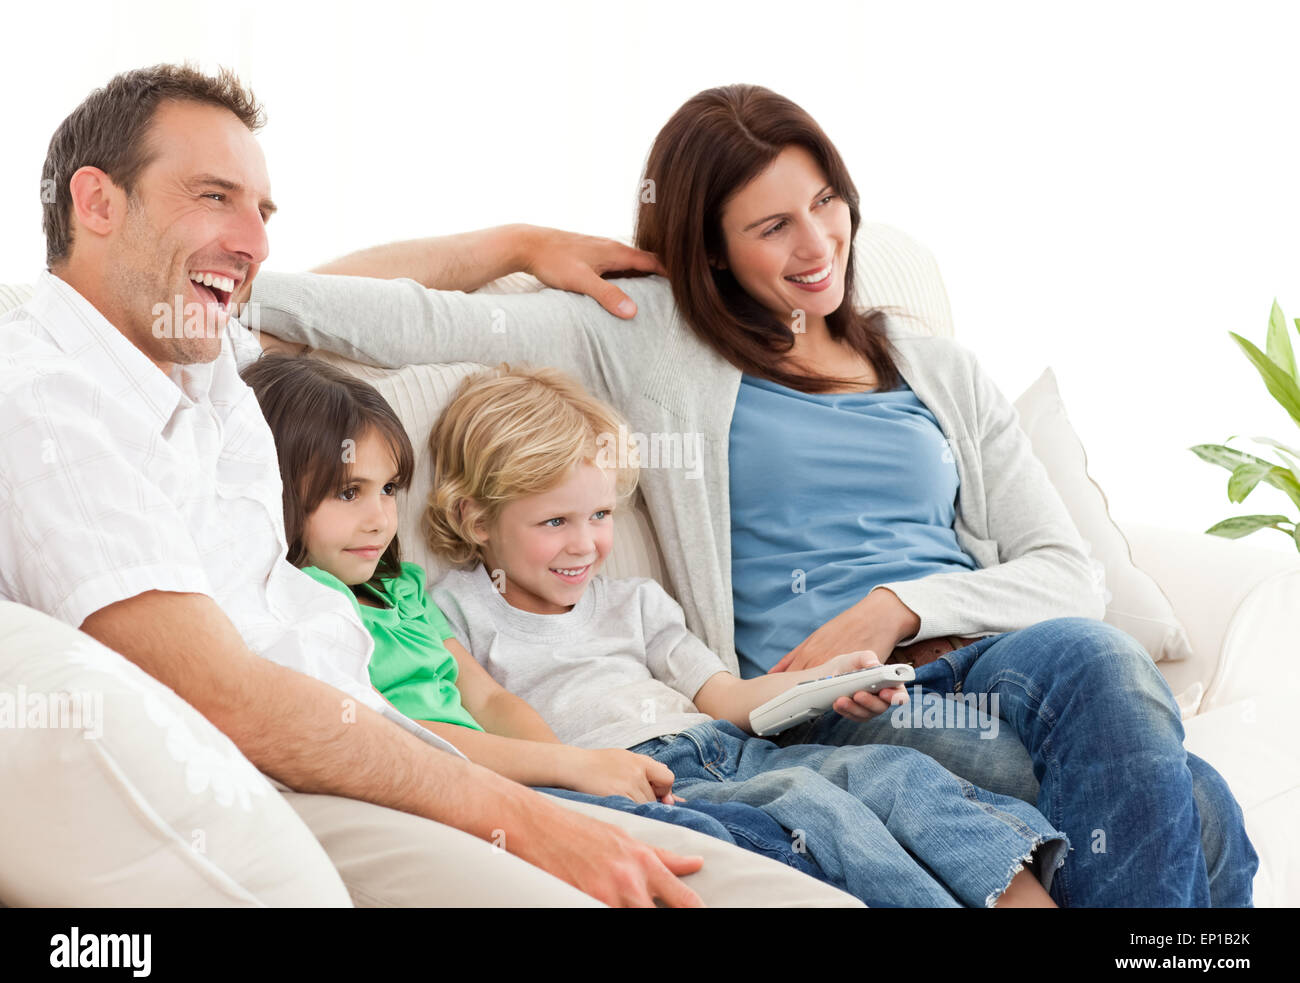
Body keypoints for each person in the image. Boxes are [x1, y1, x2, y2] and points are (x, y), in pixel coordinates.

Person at [245, 85, 1258, 907]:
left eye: (826, 202)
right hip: (829, 704)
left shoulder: (939, 368)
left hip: (996, 659)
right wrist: (511, 243)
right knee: (1195, 799)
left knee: (1099, 659)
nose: (817, 244)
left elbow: (1067, 574)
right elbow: (317, 306)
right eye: (772, 225)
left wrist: (903, 603)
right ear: (711, 248)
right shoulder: (647, 331)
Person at [0, 64, 864, 907]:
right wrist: (526, 819)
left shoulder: (193, 354)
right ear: (98, 201)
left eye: (262, 212)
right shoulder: (45, 399)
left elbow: (351, 290)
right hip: (301, 792)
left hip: (393, 759)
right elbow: (225, 695)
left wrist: (513, 245)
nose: (256, 243)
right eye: (213, 195)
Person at [419, 362, 1067, 907]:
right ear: (474, 518)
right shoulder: (451, 611)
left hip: (727, 748)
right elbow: (484, 712)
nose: (585, 543)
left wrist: (828, 680)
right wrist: (578, 771)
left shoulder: (635, 602)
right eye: (555, 520)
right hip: (638, 783)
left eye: (600, 514)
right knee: (829, 816)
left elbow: (727, 695)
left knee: (899, 775)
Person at [240, 351, 836, 886]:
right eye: (349, 493)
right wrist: (567, 770)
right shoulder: (304, 606)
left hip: (535, 777)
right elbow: (403, 740)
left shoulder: (404, 591)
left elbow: (491, 701)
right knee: (744, 839)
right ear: (277, 490)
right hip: (459, 789)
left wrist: (576, 773)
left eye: (390, 488)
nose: (380, 519)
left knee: (823, 804)